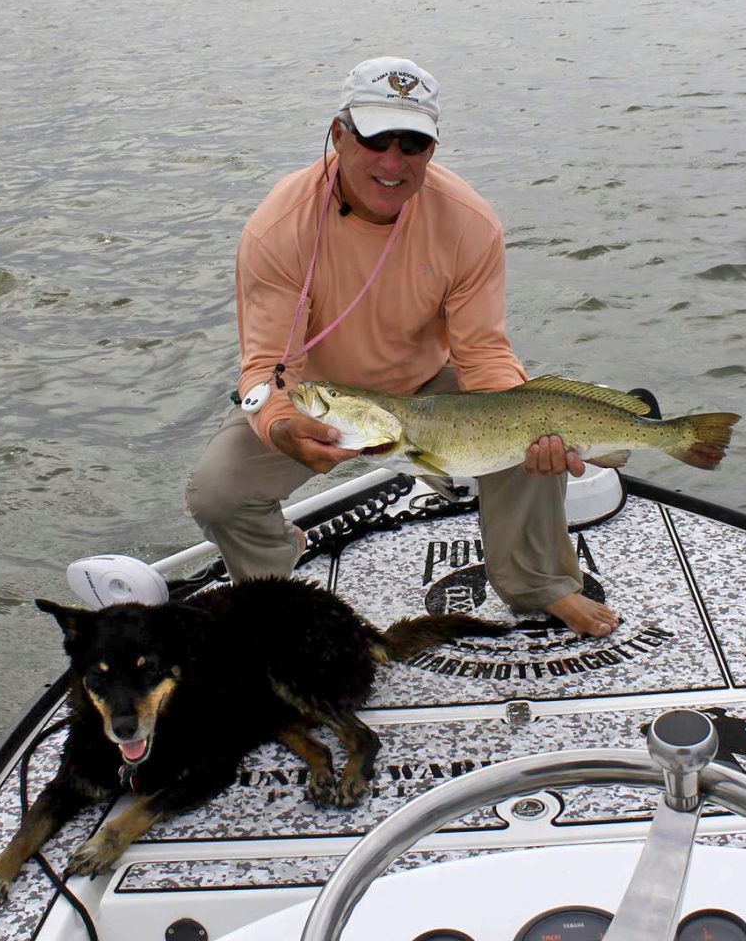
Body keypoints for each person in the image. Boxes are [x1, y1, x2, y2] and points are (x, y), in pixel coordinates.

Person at [183, 56, 620, 638]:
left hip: (427, 389)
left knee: (528, 422)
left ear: (432, 150)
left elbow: (484, 353)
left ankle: (538, 582)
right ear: (338, 134)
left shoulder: (468, 221)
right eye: (374, 138)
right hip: (318, 399)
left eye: (412, 144)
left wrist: (522, 425)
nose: (392, 163)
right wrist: (282, 426)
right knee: (218, 494)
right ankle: (277, 601)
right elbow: (266, 367)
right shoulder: (278, 227)